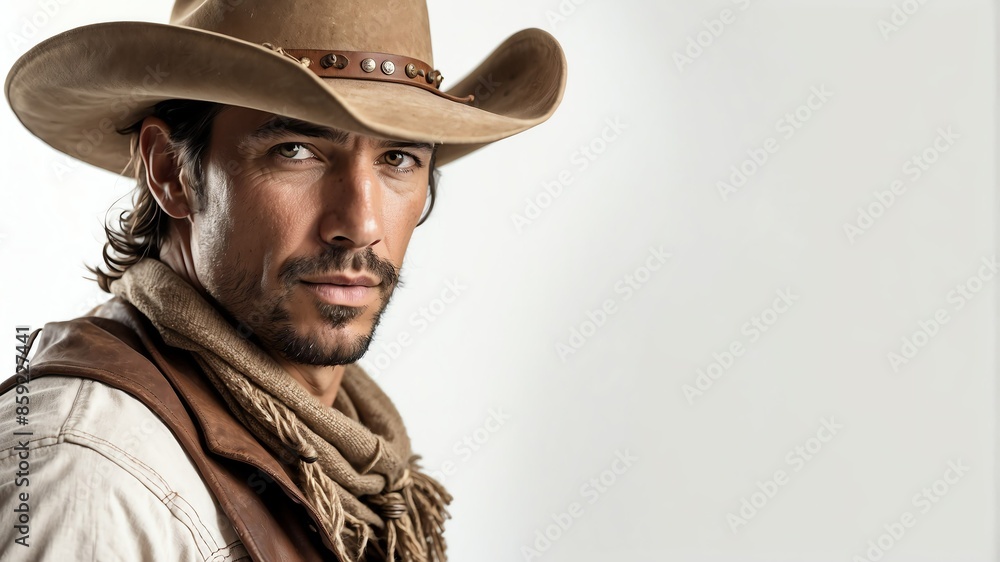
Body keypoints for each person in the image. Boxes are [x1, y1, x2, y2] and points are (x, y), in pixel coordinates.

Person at [0, 0, 566, 560]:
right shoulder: (90, 471)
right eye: (296, 151)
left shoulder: (353, 451)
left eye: (398, 158)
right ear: (172, 171)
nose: (361, 226)